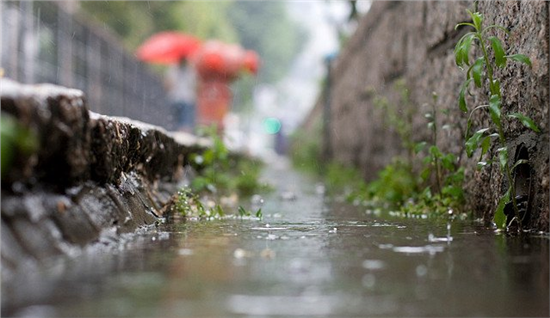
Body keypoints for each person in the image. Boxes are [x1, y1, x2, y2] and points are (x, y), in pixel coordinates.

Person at [165, 60, 197, 133]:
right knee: (185, 122)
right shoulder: (191, 70)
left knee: (174, 121)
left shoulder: (173, 69)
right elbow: (194, 85)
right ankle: (183, 135)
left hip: (175, 97)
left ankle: (175, 134)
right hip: (187, 98)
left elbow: (168, 84)